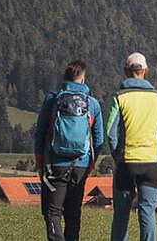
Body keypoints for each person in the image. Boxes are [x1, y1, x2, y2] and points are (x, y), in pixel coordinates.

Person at [34, 60, 104, 241]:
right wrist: (91, 163)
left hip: (55, 163)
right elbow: (99, 139)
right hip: (80, 164)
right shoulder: (92, 104)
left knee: (53, 211)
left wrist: (40, 163)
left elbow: (40, 133)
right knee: (73, 213)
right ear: (83, 80)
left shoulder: (52, 100)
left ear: (65, 78)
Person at [105, 52, 157, 241]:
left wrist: (116, 154)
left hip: (126, 162)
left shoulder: (119, 97)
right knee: (147, 213)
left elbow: (110, 132)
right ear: (145, 71)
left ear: (126, 71)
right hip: (151, 162)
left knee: (121, 215)